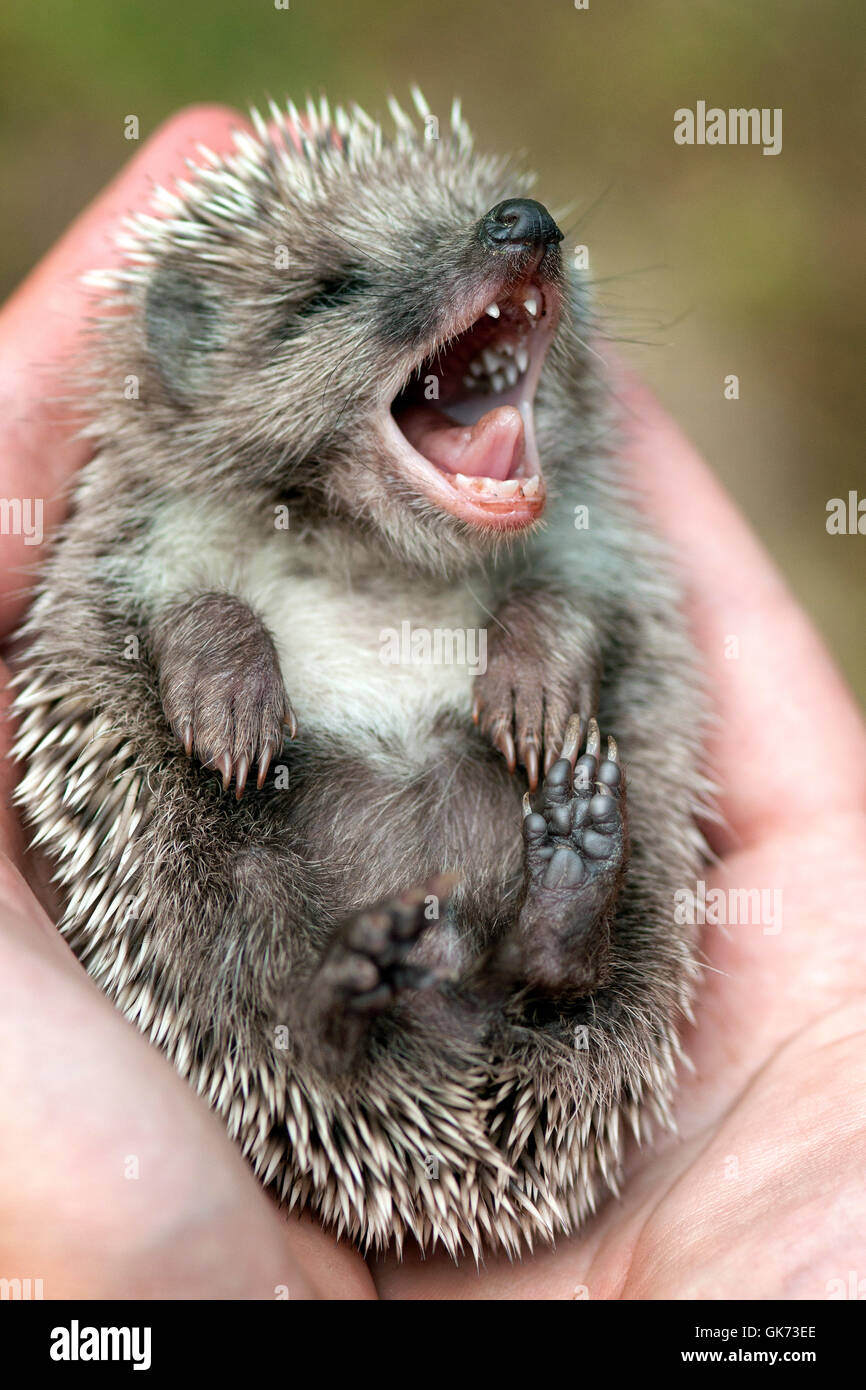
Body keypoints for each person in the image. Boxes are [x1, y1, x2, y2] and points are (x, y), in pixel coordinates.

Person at [1, 108, 863, 1301]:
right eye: (344, 287)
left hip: (467, 845)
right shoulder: (173, 531)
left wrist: (537, 634)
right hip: (291, 911)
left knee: (569, 682)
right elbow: (137, 640)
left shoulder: (559, 532)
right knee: (227, 852)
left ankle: (545, 957)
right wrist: (210, 635)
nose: (521, 245)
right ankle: (402, 982)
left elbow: (596, 614)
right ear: (192, 360)